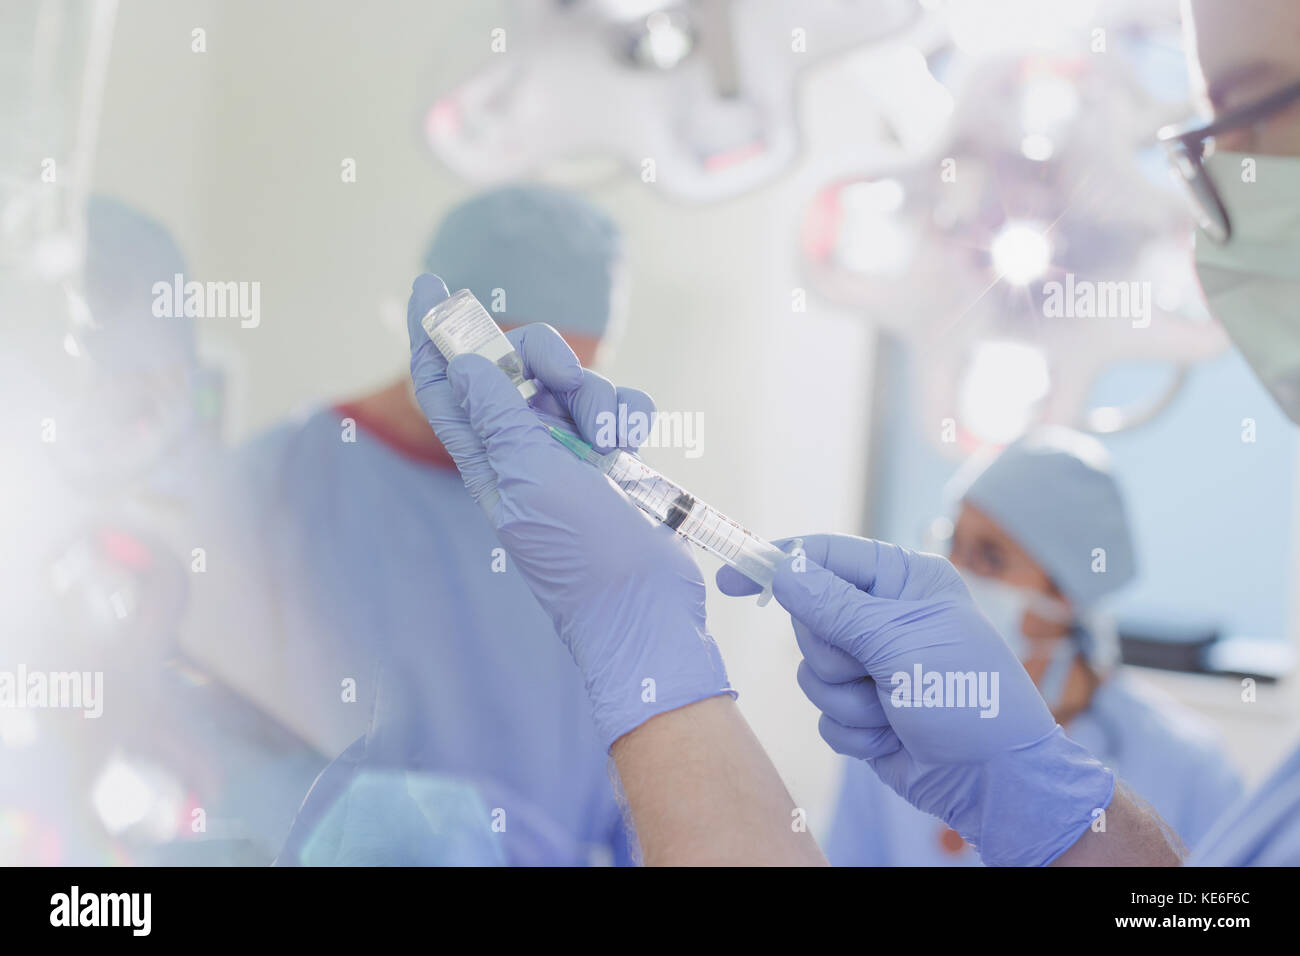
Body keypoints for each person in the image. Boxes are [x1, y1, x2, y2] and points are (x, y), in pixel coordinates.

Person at [404, 0, 1300, 865]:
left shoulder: (1187, 766)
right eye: (1212, 132)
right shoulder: (946, 742)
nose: (1221, 187)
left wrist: (644, 656)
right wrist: (1050, 814)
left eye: (1254, 115)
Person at [189, 185, 649, 865]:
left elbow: (649, 784)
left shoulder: (599, 527)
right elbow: (196, 740)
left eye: (580, 376)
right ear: (440, 328)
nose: (551, 409)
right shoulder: (274, 486)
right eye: (523, 374)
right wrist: (360, 829)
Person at [829, 428, 1242, 865]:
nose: (952, 575)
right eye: (953, 543)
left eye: (990, 557)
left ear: (1068, 593)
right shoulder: (891, 729)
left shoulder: (1185, 766)